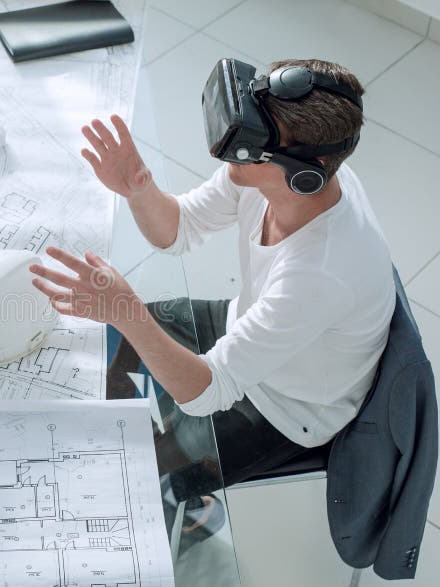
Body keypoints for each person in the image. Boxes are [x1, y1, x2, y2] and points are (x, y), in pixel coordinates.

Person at [28, 58, 396, 535]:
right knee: (132, 342)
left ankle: (187, 511)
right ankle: (138, 429)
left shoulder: (322, 272)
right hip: (252, 332)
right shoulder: (269, 175)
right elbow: (177, 230)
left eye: (253, 145)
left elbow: (207, 393)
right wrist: (139, 189)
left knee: (140, 471)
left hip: (287, 408)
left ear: (307, 173)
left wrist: (125, 310)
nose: (232, 154)